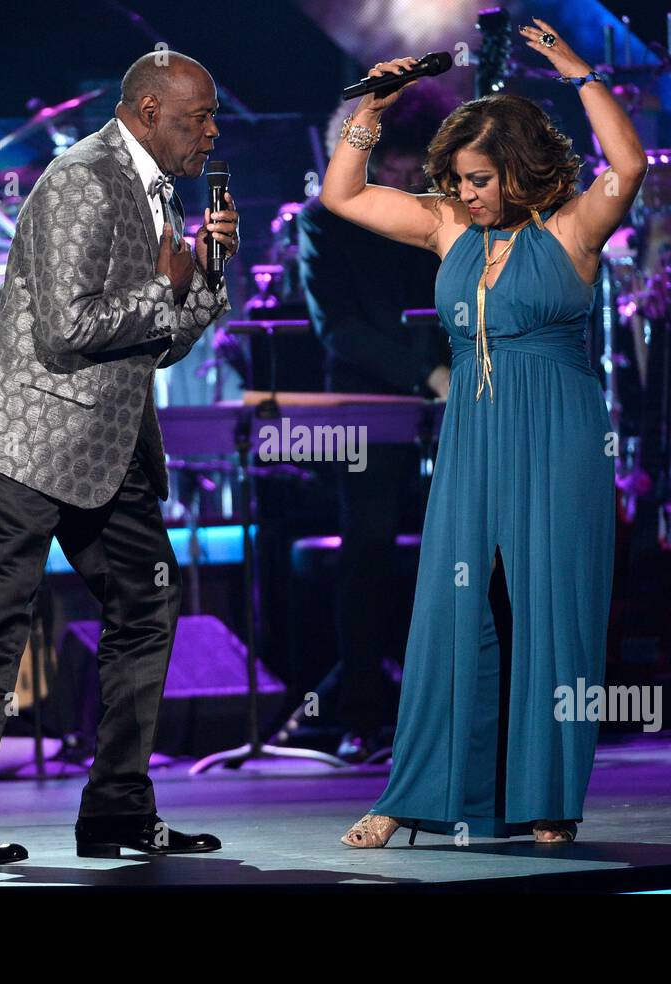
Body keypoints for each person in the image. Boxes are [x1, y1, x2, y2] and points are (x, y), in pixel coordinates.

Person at [0, 51, 239, 868]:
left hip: (107, 442)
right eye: (199, 118)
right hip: (32, 434)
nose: (213, 132)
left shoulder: (157, 190)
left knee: (148, 600)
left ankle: (118, 809)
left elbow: (157, 346)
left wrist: (204, 274)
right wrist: (166, 284)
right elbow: (68, 327)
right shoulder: (83, 178)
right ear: (151, 111)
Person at [321, 18, 646, 847]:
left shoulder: (572, 230)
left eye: (477, 180)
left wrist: (581, 75)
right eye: (456, 180)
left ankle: (547, 804)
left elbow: (632, 165)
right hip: (471, 431)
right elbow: (344, 195)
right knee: (448, 607)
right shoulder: (447, 229)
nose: (464, 194)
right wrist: (370, 106)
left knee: (551, 609)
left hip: (561, 431)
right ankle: (413, 795)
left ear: (517, 170)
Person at [297, 81, 456, 763]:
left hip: (450, 397)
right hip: (367, 406)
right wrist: (424, 375)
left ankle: (458, 710)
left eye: (414, 167)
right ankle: (362, 710)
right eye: (391, 166)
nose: (404, 179)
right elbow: (341, 331)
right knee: (366, 549)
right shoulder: (325, 220)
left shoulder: (439, 208)